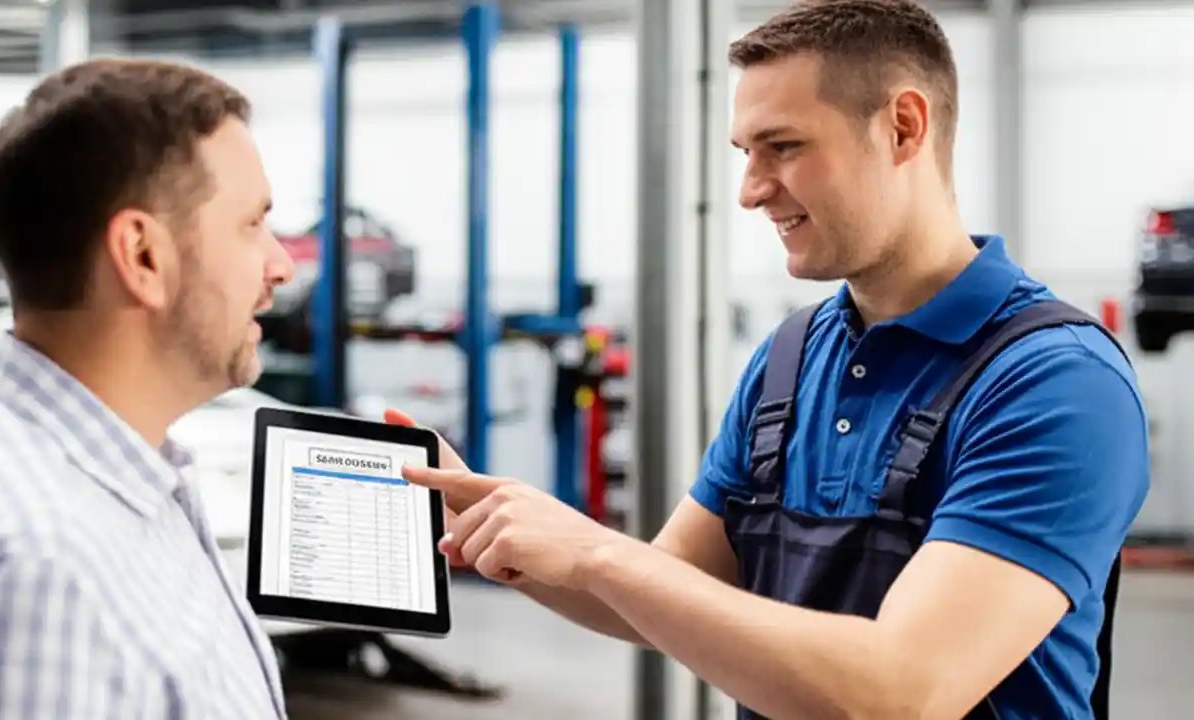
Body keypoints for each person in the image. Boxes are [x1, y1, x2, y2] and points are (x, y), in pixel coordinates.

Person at [391, 1, 1149, 718]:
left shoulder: (1054, 384)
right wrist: (501, 525)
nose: (752, 191)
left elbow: (903, 693)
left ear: (904, 128)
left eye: (783, 147)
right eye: (745, 153)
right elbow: (670, 593)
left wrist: (594, 552)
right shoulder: (791, 357)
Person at [0, 59, 293, 717]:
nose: (281, 265)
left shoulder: (120, 481)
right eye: (252, 224)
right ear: (143, 257)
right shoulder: (43, 579)